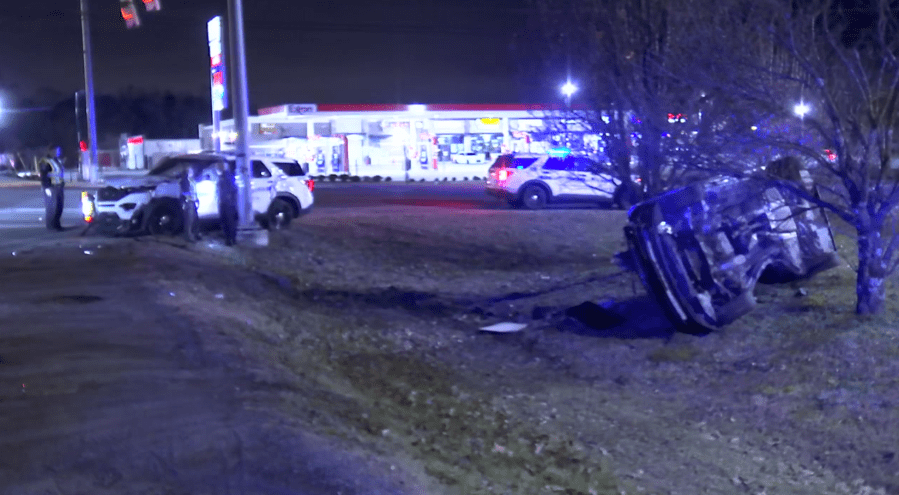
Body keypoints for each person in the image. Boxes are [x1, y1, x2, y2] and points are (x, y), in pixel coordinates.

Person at [39, 147, 65, 231]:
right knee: (51, 208)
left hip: (59, 187)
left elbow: (59, 173)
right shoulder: (45, 161)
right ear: (51, 151)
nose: (58, 152)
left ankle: (57, 225)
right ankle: (50, 227)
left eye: (59, 151)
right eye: (57, 151)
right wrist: (46, 187)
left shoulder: (57, 161)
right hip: (51, 187)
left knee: (59, 207)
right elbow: (43, 175)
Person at [216, 161, 239, 246]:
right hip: (224, 203)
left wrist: (229, 198)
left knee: (229, 223)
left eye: (218, 165)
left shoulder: (228, 176)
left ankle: (231, 240)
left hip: (228, 204)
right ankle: (229, 239)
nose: (217, 167)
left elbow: (233, 189)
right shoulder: (222, 176)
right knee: (225, 222)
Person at [179, 166, 200, 242]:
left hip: (193, 202)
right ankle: (188, 236)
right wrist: (185, 202)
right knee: (189, 221)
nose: (191, 172)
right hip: (188, 202)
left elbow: (195, 190)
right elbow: (184, 193)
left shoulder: (192, 180)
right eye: (190, 171)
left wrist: (197, 199)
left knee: (194, 219)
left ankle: (195, 235)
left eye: (191, 171)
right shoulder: (185, 181)